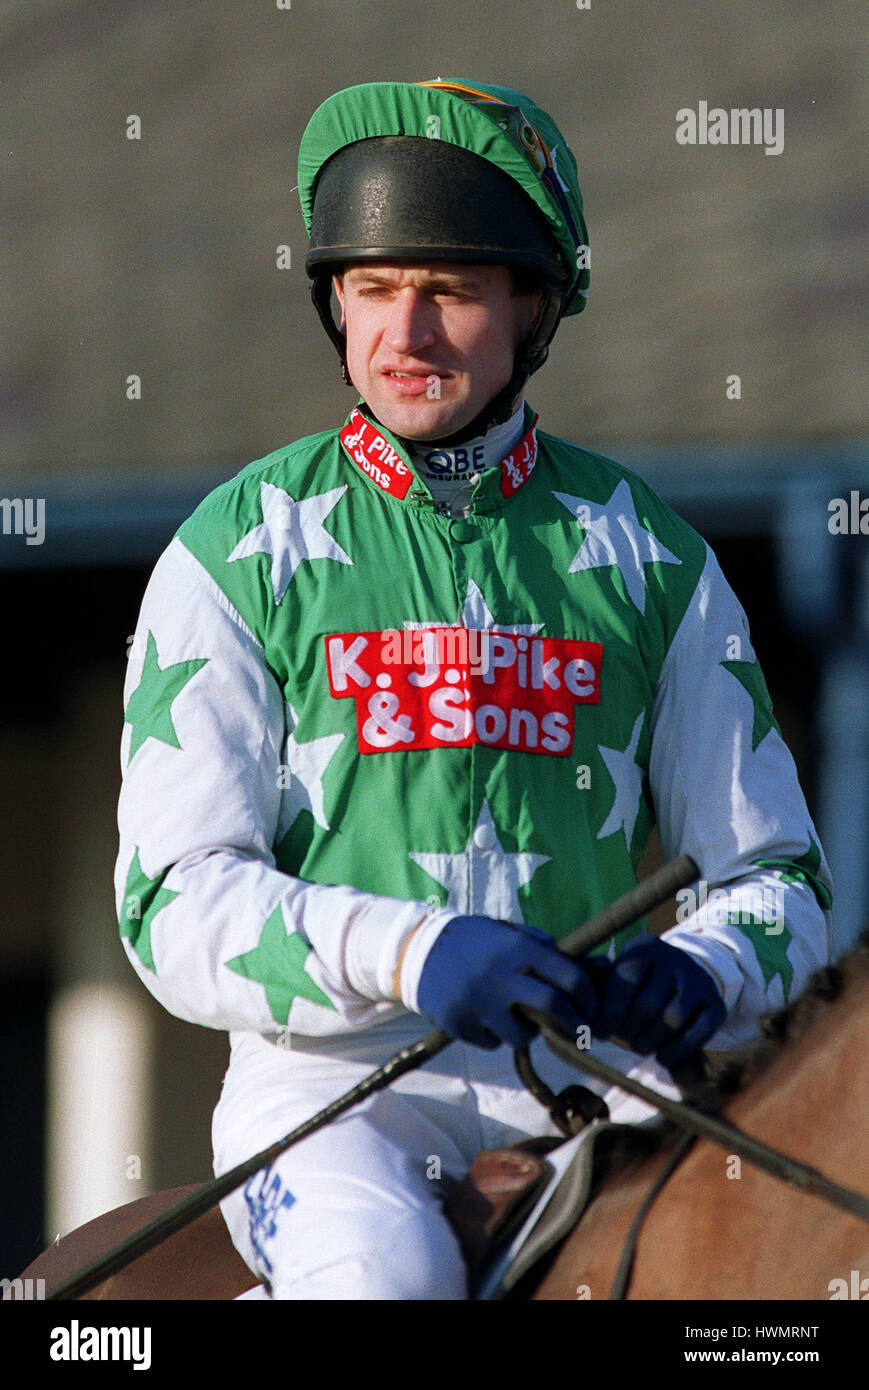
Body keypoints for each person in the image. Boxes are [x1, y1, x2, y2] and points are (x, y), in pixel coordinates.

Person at [115, 78, 833, 1300]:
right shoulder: (233, 551)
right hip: (334, 1094)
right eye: (372, 289)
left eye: (447, 290)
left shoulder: (650, 554)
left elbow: (780, 883)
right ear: (333, 301)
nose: (405, 334)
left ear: (530, 307)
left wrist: (705, 970)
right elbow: (170, 902)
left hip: (607, 1080)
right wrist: (411, 950)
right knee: (382, 1283)